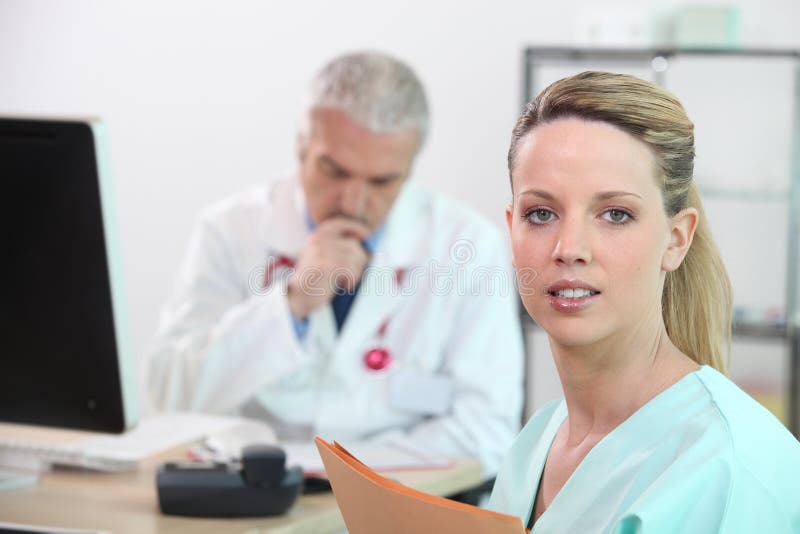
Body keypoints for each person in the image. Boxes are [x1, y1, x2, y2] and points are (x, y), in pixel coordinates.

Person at [147, 51, 524, 475]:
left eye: (382, 181)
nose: (353, 202)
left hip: (400, 505)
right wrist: (290, 307)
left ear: (409, 167)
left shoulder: (467, 246)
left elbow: (487, 433)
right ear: (301, 146)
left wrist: (341, 473)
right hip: (254, 500)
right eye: (334, 171)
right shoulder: (231, 231)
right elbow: (170, 396)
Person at [488, 71, 800, 532]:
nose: (569, 247)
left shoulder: (729, 467)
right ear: (512, 229)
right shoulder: (538, 438)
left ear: (676, 240)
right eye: (541, 213)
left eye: (616, 214)